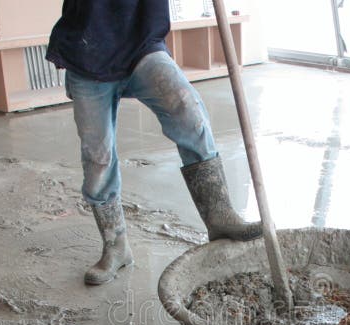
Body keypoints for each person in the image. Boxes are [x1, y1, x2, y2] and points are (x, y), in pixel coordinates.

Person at [47, 0, 261, 285]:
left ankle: (218, 216)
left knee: (186, 108)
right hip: (89, 52)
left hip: (142, 45)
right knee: (97, 157)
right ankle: (116, 247)